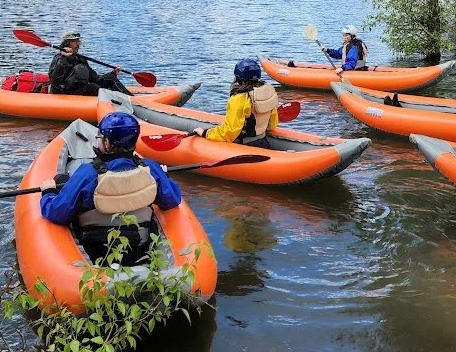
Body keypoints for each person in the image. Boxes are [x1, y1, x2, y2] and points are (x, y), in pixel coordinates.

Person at [40, 112, 182, 264]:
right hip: (139, 247)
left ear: (107, 143)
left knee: (63, 183)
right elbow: (172, 200)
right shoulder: (151, 168)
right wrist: (165, 176)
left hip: (97, 252)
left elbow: (57, 213)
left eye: (100, 138)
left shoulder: (88, 174)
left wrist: (49, 193)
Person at [192, 58, 278, 146]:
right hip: (263, 140)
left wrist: (205, 133)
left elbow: (230, 131)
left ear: (238, 77)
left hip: (244, 144)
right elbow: (272, 124)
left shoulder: (240, 98)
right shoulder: (268, 91)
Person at [48, 30, 131, 96]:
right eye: (75, 41)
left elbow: (94, 78)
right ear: (66, 43)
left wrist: (113, 73)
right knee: (92, 87)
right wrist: (64, 58)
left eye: (78, 41)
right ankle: (113, 100)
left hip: (79, 89)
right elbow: (54, 81)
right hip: (64, 92)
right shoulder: (59, 58)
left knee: (109, 78)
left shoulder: (80, 59)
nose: (78, 44)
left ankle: (131, 99)